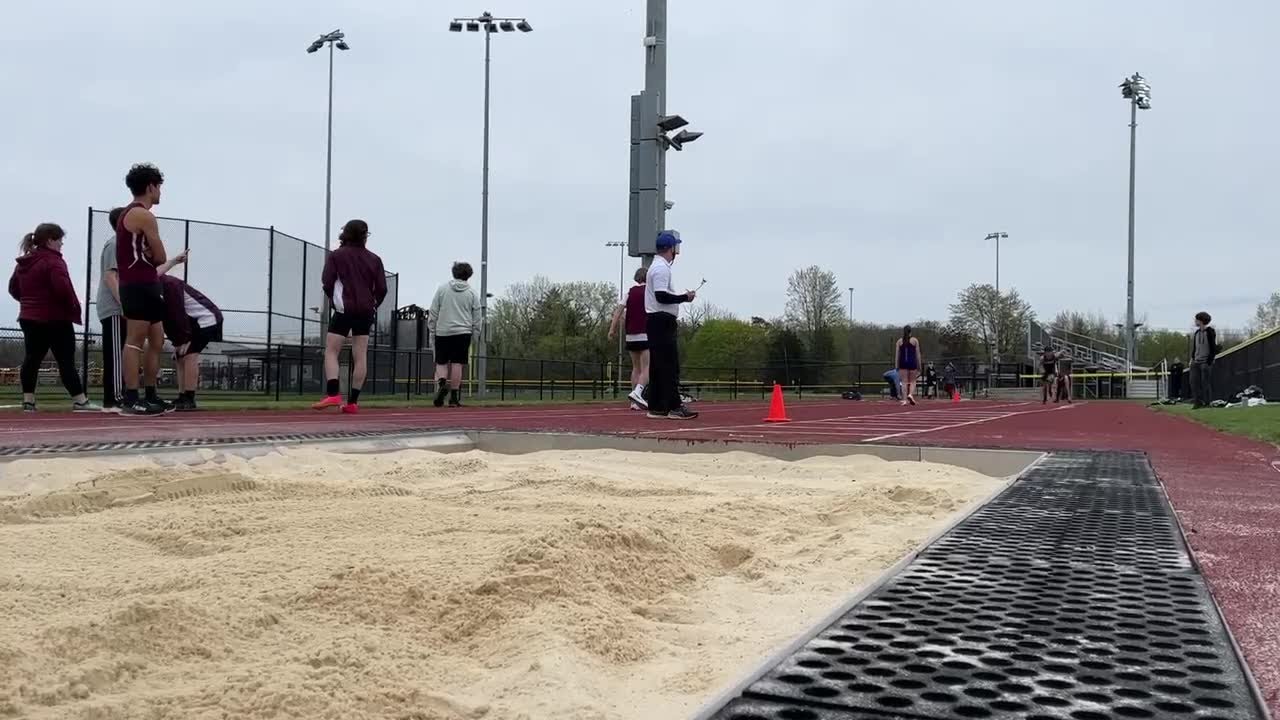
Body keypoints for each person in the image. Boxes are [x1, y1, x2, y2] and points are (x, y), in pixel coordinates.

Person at [9, 224, 100, 412]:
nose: (61, 245)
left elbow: (13, 288)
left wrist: (28, 302)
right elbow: (63, 288)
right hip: (55, 318)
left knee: (32, 359)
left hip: (29, 317)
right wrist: (72, 306)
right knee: (65, 360)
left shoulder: (24, 263)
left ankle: (28, 401)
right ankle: (80, 400)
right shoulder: (54, 262)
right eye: (60, 241)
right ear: (51, 240)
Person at [117, 163, 184, 415]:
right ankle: (131, 397)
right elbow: (160, 256)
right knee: (134, 340)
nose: (160, 193)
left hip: (146, 282)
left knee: (157, 339)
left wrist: (148, 251)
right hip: (136, 283)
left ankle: (150, 395)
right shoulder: (143, 215)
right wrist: (151, 252)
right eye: (159, 187)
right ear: (150, 186)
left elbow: (149, 253)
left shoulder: (130, 215)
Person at [314, 219, 386, 414]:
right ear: (365, 235)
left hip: (344, 309)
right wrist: (373, 305)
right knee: (360, 354)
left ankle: (333, 393)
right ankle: (353, 402)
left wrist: (334, 301)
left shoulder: (337, 256)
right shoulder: (375, 259)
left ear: (345, 233)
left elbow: (327, 281)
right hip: (365, 310)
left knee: (331, 351)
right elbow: (382, 289)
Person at [644, 230, 697, 420]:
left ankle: (657, 406)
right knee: (669, 365)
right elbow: (661, 295)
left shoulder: (655, 267)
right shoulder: (661, 269)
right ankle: (674, 406)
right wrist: (684, 297)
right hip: (661, 320)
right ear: (670, 249)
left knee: (658, 365)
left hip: (655, 321)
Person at [158, 274, 223, 411]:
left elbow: (178, 313)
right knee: (179, 356)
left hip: (207, 320)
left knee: (189, 354)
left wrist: (185, 338)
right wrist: (177, 342)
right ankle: (182, 396)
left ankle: (189, 398)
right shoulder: (157, 289)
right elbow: (168, 318)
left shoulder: (170, 284)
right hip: (193, 323)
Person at [428, 261, 481, 408]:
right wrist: (475, 334)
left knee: (441, 362)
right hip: (463, 332)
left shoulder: (442, 289)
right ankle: (454, 397)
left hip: (443, 331)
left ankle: (442, 382)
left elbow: (433, 311)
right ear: (469, 275)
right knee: (458, 363)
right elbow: (477, 316)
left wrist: (432, 328)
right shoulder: (472, 293)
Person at [98, 207, 128, 411]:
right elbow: (110, 276)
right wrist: (124, 304)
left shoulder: (123, 245)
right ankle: (114, 398)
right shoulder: (115, 243)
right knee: (116, 355)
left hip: (118, 307)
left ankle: (119, 395)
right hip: (114, 308)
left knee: (121, 353)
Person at [607, 266, 650, 410]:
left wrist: (612, 329)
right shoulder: (650, 292)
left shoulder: (629, 293)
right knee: (647, 368)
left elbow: (618, 312)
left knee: (636, 367)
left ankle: (633, 402)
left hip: (631, 335)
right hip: (645, 334)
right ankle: (638, 394)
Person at [1189, 311, 1218, 409]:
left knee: (1205, 383)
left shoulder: (1210, 331)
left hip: (1205, 362)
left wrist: (1209, 361)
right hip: (1196, 361)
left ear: (1201, 320)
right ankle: (1197, 402)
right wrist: (1192, 359)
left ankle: (1207, 402)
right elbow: (1195, 347)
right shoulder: (1196, 333)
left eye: (1196, 319)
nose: (1195, 321)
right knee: (1194, 382)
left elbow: (1213, 347)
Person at [894, 325, 922, 406]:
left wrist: (896, 366)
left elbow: (897, 355)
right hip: (912, 362)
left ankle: (904, 400)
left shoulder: (899, 341)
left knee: (904, 382)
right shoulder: (914, 340)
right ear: (911, 332)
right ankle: (910, 394)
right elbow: (918, 354)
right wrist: (919, 366)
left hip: (903, 362)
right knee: (913, 381)